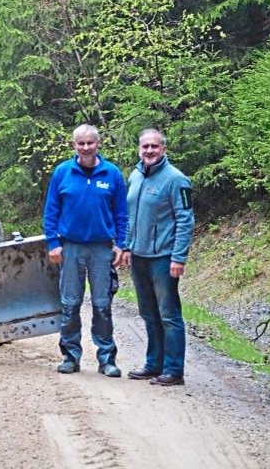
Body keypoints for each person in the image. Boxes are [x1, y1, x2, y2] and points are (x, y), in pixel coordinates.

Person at [43, 124, 128, 377]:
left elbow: (122, 214)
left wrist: (121, 244)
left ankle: (106, 359)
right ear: (74, 146)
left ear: (98, 144)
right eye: (81, 143)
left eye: (90, 143)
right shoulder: (62, 173)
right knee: (70, 304)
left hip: (102, 249)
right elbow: (51, 211)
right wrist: (53, 243)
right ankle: (70, 356)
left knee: (102, 304)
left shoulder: (112, 174)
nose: (86, 147)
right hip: (71, 247)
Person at [122, 128, 195, 386]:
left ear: (163, 149)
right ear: (139, 149)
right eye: (145, 147)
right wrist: (127, 246)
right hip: (139, 256)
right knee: (148, 313)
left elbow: (186, 221)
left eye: (154, 146)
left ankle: (174, 370)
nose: (149, 151)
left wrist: (179, 257)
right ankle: (154, 364)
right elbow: (130, 216)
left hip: (164, 258)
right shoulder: (135, 175)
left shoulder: (176, 180)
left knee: (169, 314)